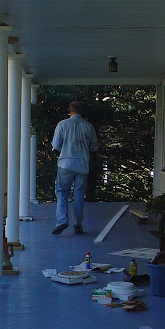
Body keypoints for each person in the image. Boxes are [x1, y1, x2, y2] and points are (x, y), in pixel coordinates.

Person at [51, 101, 98, 235]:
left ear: (70, 111)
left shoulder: (62, 124)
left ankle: (62, 220)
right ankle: (77, 224)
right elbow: (94, 146)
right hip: (82, 164)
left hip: (65, 163)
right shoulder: (88, 126)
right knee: (78, 195)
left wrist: (65, 149)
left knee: (61, 192)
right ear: (81, 111)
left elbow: (56, 144)